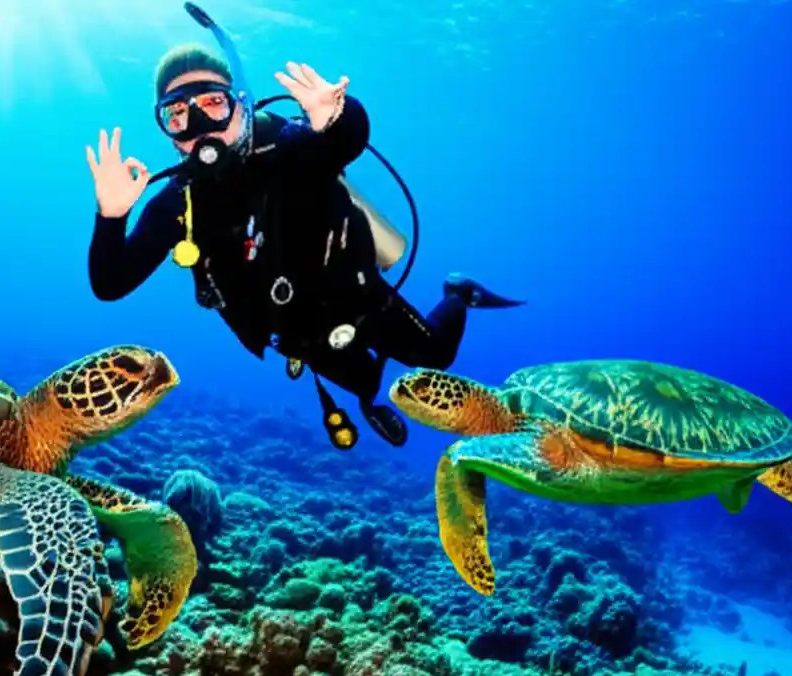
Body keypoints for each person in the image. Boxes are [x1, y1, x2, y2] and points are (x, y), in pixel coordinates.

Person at [84, 41, 519, 449]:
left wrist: (337, 115)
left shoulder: (286, 147)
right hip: (298, 337)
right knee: (366, 383)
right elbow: (109, 283)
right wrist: (111, 216)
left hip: (360, 301)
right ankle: (369, 399)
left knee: (435, 356)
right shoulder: (179, 204)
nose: (199, 127)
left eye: (212, 104)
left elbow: (346, 140)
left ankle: (459, 292)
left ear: (239, 105)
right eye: (177, 114)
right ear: (168, 130)